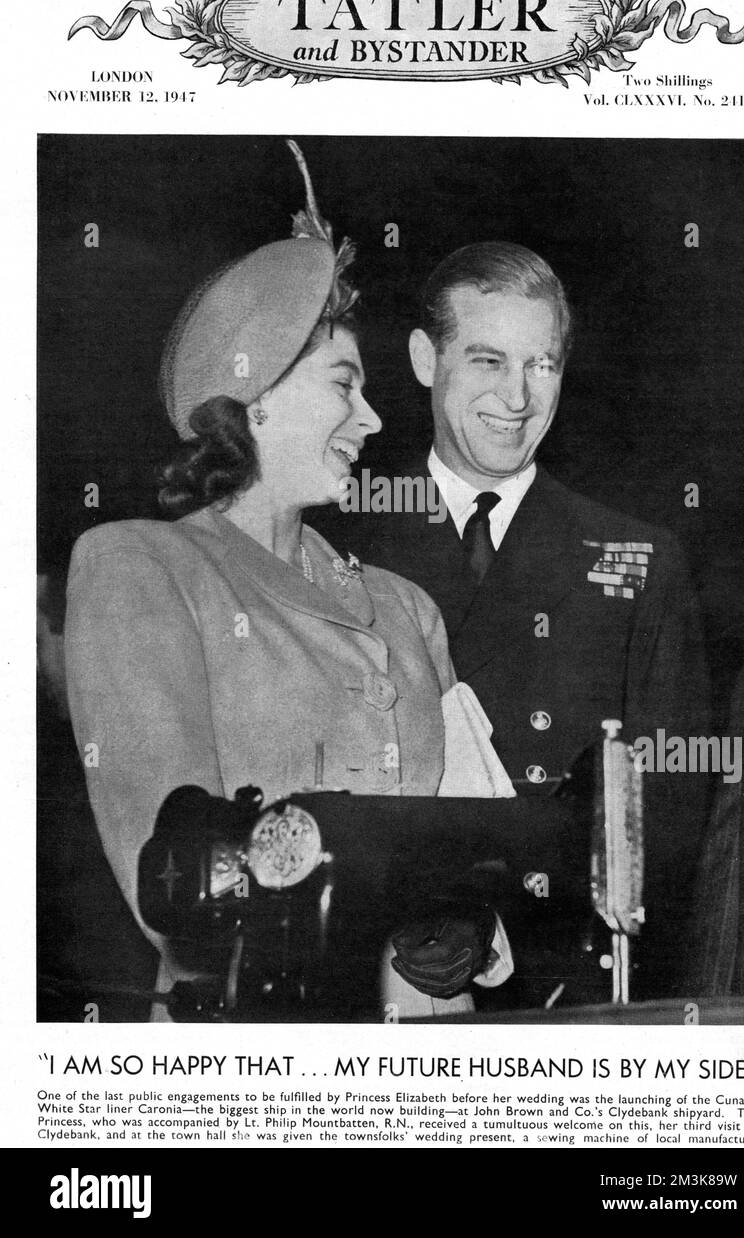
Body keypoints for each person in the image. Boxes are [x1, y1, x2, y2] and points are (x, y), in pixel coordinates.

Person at [63, 148, 513, 1022]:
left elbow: (477, 830)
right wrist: (384, 908)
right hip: (258, 1036)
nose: (374, 419)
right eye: (343, 384)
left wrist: (470, 919)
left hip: (439, 1038)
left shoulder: (405, 607)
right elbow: (175, 880)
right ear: (255, 399)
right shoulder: (141, 569)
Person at [337, 241, 713, 999]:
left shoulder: (637, 558)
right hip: (366, 970)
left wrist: (515, 925)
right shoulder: (339, 535)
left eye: (540, 365)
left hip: (557, 983)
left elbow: (669, 810)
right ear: (421, 358)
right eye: (485, 361)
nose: (516, 397)